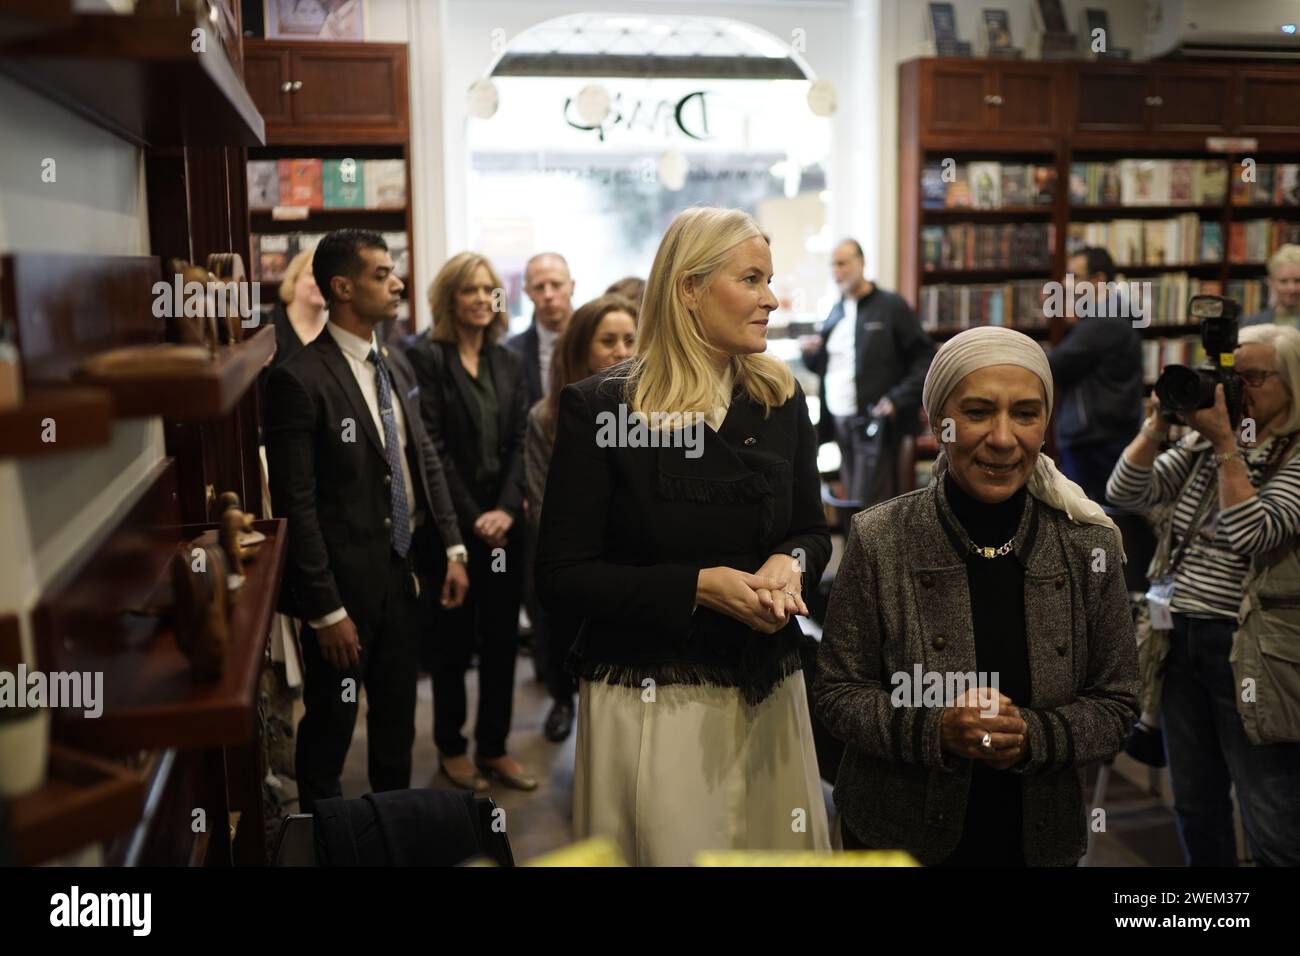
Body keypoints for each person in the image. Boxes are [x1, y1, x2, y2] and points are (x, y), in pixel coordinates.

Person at [536, 206, 832, 865]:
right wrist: (697, 587)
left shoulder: (783, 398)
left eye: (770, 279)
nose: (771, 299)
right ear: (688, 289)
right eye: (751, 279)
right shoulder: (603, 408)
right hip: (651, 704)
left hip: (768, 697)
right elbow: (560, 575)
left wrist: (792, 561)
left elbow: (812, 529)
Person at [817, 325, 1139, 866]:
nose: (1003, 438)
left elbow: (1118, 701)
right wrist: (937, 729)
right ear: (937, 421)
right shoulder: (881, 538)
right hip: (897, 835)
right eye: (977, 412)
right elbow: (837, 693)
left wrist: (1033, 736)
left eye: (1026, 413)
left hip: (1036, 836)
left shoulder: (1089, 545)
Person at [264, 229, 469, 813]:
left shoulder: (397, 361)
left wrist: (452, 547)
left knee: (398, 727)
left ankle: (390, 834)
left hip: (403, 581)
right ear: (342, 287)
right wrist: (325, 610)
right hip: (342, 597)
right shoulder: (297, 379)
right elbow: (295, 505)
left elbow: (420, 456)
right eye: (382, 274)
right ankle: (325, 839)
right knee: (330, 730)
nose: (398, 282)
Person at [1106, 323, 1300, 866]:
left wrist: (1224, 446)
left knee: (1270, 811)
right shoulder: (1203, 444)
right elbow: (1124, 492)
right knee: (1195, 803)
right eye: (1230, 377)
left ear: (1293, 383)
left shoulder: (1292, 456)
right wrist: (1157, 426)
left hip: (1256, 652)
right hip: (1181, 639)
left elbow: (1251, 532)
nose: (1237, 390)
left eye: (1252, 378)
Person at [405, 252, 535, 792]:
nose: (483, 298)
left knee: (503, 640)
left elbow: (522, 441)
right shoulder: (424, 357)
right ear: (449, 298)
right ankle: (452, 749)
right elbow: (431, 449)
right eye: (470, 290)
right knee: (452, 645)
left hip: (506, 526)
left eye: (489, 290)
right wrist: (475, 515)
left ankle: (494, 747)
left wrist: (506, 507)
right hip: (451, 531)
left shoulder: (508, 361)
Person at [525, 294, 637, 742]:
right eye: (608, 340)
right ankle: (561, 701)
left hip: (630, 564)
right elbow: (540, 497)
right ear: (581, 348)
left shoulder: (656, 413)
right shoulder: (546, 416)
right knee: (562, 638)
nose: (621, 351)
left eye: (630, 339)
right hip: (573, 559)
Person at [801, 239, 934, 509]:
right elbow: (827, 367)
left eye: (842, 263)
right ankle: (856, 550)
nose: (836, 271)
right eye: (832, 265)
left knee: (872, 504)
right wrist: (811, 355)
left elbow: (925, 358)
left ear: (861, 263)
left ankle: (874, 552)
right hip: (839, 421)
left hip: (875, 421)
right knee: (852, 500)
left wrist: (896, 400)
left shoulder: (891, 306)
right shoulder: (835, 311)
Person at [1047, 247, 1144, 504]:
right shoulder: (1108, 317)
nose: (1067, 284)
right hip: (1102, 433)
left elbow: (1054, 365)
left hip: (1093, 438)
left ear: (1098, 281)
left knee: (1084, 515)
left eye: (1074, 276)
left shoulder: (1104, 321)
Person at [508, 252, 577, 408]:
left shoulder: (595, 339)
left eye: (556, 284)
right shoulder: (511, 352)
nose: (548, 295)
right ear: (527, 292)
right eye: (539, 287)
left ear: (572, 286)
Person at [1243, 244, 1300, 329]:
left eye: (1298, 281)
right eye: (1283, 281)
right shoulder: (1252, 324)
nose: (1291, 288)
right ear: (1271, 283)